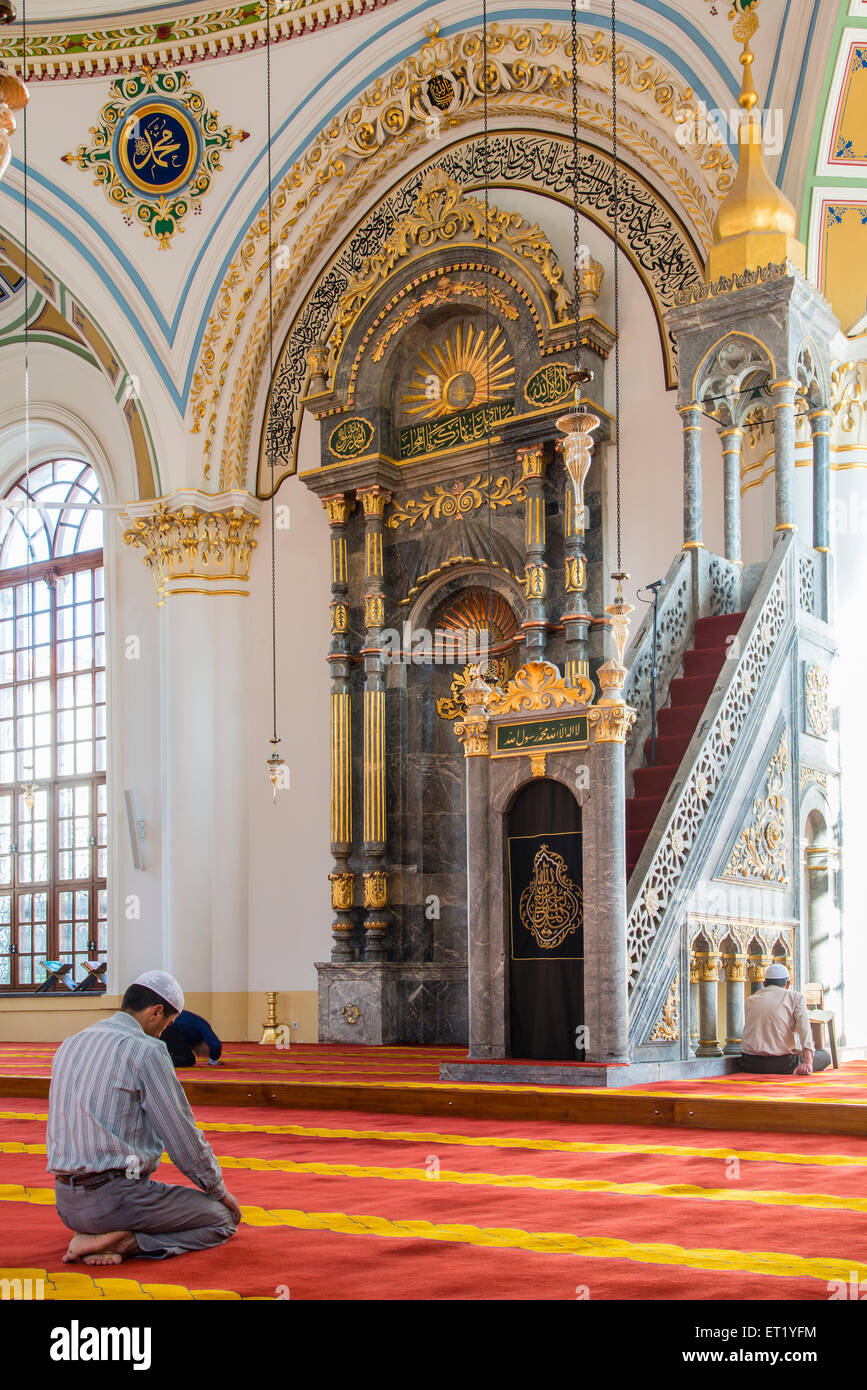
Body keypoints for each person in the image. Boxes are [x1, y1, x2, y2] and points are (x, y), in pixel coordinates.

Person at [46, 970, 242, 1266]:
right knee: (221, 1220)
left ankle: (95, 1233)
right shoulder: (147, 1049)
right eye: (168, 1023)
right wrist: (218, 1191)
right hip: (115, 1199)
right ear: (156, 1012)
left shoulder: (70, 1044)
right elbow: (181, 1137)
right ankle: (125, 1240)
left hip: (65, 1203)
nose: (165, 1031)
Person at [740, 962, 831, 1075]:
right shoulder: (795, 997)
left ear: (764, 983)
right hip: (783, 1064)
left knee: (797, 1052)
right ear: (787, 984)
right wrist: (807, 1062)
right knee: (825, 1056)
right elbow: (804, 1029)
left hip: (750, 1064)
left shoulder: (751, 999)